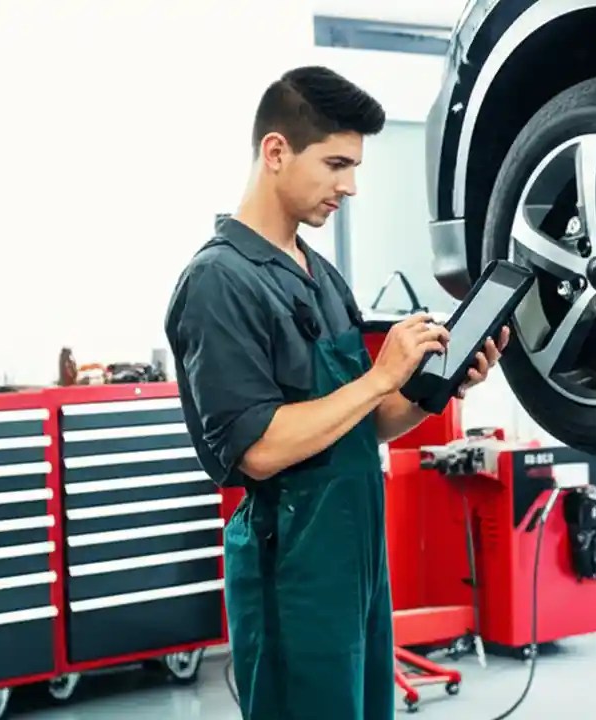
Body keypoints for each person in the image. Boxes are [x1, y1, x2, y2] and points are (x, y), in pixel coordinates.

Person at [164, 66, 509, 720]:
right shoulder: (218, 283)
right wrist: (383, 375)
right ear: (276, 152)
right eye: (335, 164)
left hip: (356, 561)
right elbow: (259, 450)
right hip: (291, 569)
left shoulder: (320, 275)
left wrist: (436, 388)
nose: (349, 186)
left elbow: (362, 424)